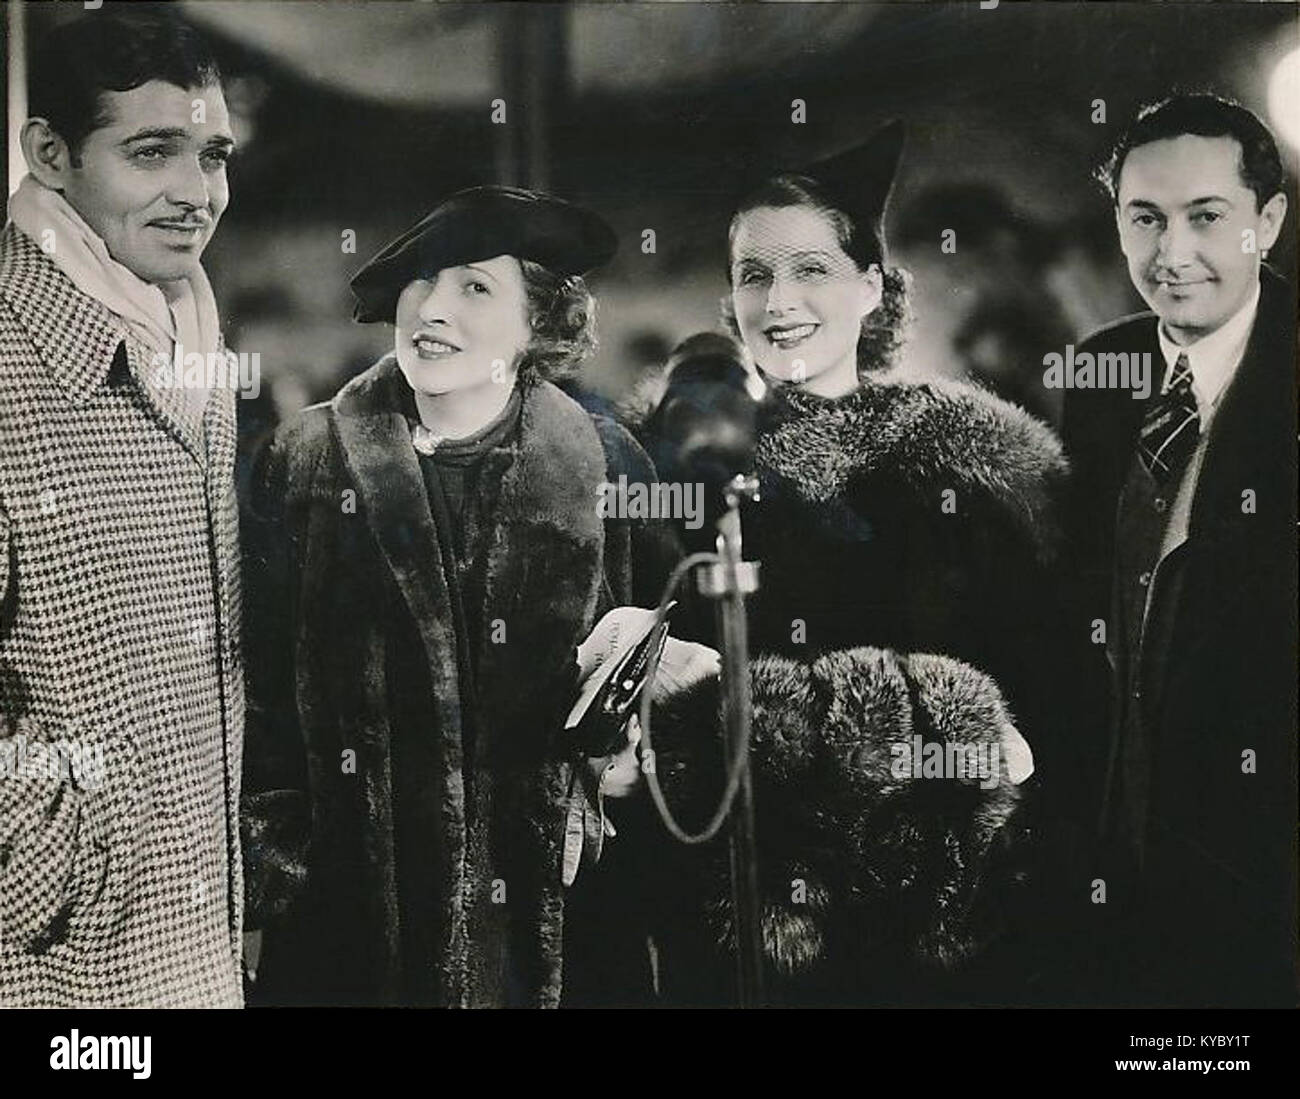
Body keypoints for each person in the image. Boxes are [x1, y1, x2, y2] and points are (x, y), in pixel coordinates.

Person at [645, 122, 1074, 1005]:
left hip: (939, 920)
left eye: (812, 269)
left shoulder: (971, 461)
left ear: (872, 287)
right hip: (747, 926)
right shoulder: (686, 469)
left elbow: (1049, 693)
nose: (780, 300)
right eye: (754, 275)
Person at [240, 185, 679, 1007]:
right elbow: (254, 688)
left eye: (475, 286)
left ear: (538, 327)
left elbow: (657, 661)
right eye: (420, 282)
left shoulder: (608, 464)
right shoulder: (305, 462)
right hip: (357, 925)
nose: (433, 308)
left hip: (554, 920)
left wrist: (627, 760)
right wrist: (284, 860)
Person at [0, 11, 244, 1006]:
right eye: (153, 152)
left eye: (213, 155)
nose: (195, 193)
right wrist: (47, 842)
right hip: (55, 959)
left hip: (191, 927)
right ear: (49, 154)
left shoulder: (187, 327)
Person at [1062, 95, 1296, 1006]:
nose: (1172, 254)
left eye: (1207, 218)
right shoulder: (1099, 372)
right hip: (1117, 845)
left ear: (1266, 223)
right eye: (1144, 218)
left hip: (1265, 859)